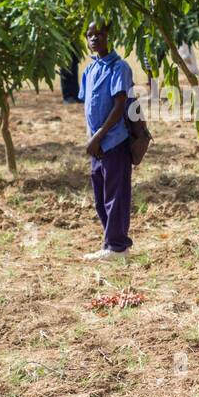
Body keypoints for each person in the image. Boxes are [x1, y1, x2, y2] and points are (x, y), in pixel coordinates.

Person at [78, 20, 134, 260]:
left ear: (108, 36)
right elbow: (88, 106)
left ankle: (118, 247)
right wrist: (92, 138)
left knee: (116, 195)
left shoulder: (118, 67)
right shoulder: (89, 71)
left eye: (99, 34)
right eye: (89, 35)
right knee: (100, 198)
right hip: (97, 145)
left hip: (114, 141)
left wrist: (99, 137)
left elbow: (120, 105)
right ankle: (110, 243)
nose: (94, 39)